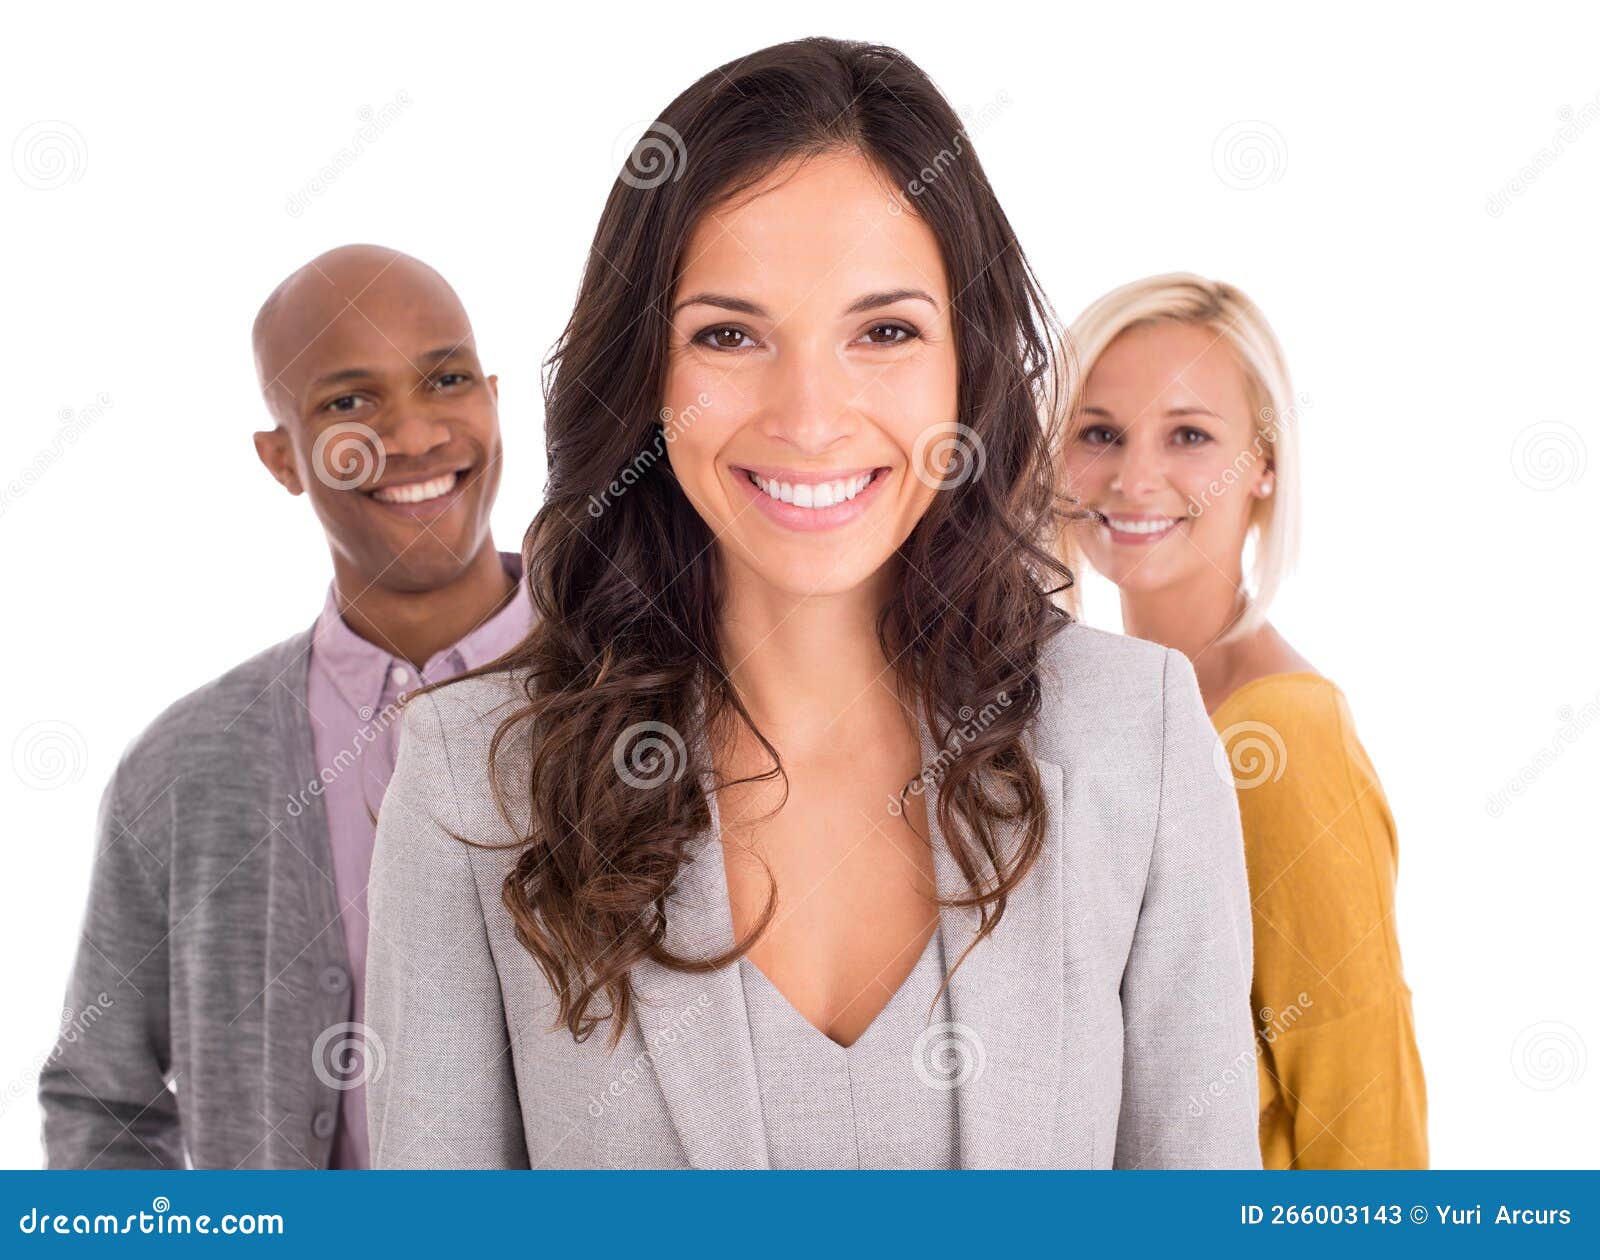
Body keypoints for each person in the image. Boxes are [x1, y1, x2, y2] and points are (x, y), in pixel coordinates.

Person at [365, 39, 1258, 1170]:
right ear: (645, 375)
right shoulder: (472, 779)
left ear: (965, 364)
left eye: (883, 331)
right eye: (728, 335)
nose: (809, 415)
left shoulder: (1140, 733)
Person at [38, 244, 531, 1169]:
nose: (415, 433)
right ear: (281, 457)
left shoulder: (645, 706)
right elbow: (101, 1097)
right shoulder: (187, 767)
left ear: (494, 398)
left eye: (446, 378)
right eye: (349, 402)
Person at [1054, 272, 1428, 1168]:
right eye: (1098, 433)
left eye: (1189, 436)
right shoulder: (1104, 712)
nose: (1133, 477)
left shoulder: (1284, 738)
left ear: (1263, 465)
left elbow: (1361, 1104)